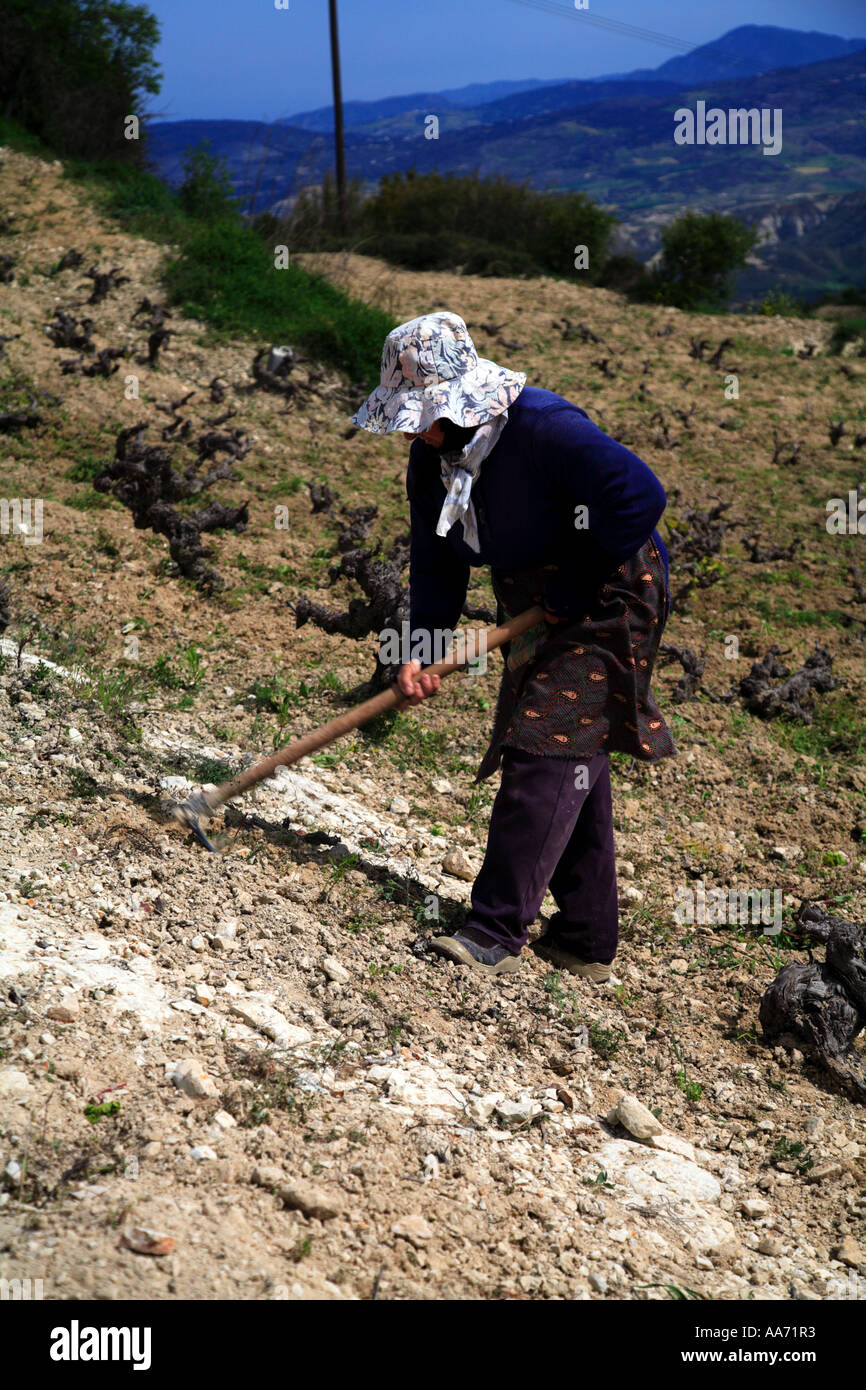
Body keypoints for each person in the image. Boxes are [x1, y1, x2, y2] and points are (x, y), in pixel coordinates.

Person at [352, 311, 676, 981]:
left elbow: (639, 494)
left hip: (610, 585)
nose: (411, 428)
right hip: (534, 596)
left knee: (545, 741)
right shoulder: (433, 460)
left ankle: (494, 928)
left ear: (457, 402)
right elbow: (437, 558)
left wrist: (577, 581)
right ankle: (585, 938)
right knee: (568, 746)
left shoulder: (543, 430)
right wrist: (424, 648)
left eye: (420, 413)